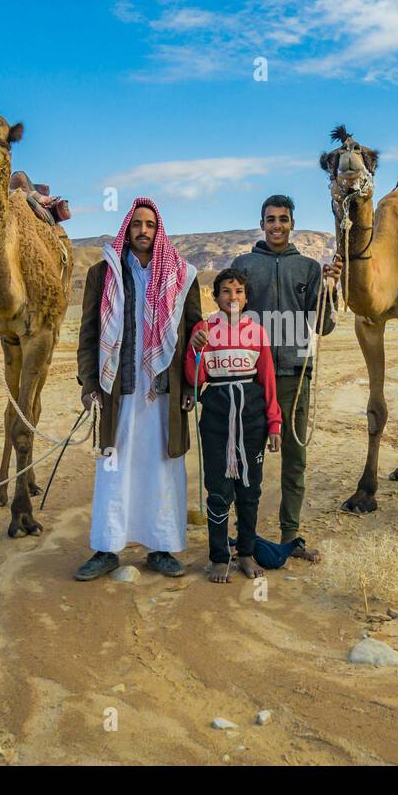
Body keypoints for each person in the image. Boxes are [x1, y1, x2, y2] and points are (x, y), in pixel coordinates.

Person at [75, 198, 202, 580]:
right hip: (119, 390)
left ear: (157, 229)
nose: (143, 231)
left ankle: (161, 548)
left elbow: (195, 329)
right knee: (115, 467)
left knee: (163, 467)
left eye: (149, 225)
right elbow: (89, 334)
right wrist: (89, 382)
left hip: (165, 391)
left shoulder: (182, 275)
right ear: (127, 230)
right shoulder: (104, 273)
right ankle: (107, 547)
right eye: (136, 225)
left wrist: (192, 384)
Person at [229, 195, 339, 559]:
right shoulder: (243, 265)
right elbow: (231, 318)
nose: (277, 225)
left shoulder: (308, 269)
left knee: (295, 460)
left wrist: (329, 290)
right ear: (262, 223)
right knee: (246, 458)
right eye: (270, 219)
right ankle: (244, 536)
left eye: (283, 219)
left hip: (295, 373)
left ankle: (291, 536)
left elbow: (322, 325)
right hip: (252, 376)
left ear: (292, 224)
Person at [185, 269, 283, 582]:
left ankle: (246, 553)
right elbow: (196, 378)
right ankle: (217, 557)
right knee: (218, 489)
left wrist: (274, 424)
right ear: (215, 297)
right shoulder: (203, 329)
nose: (233, 297)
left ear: (247, 297)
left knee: (249, 489)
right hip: (216, 416)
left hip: (252, 418)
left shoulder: (257, 332)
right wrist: (196, 348)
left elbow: (267, 380)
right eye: (226, 291)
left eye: (239, 291)